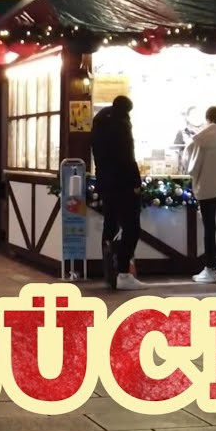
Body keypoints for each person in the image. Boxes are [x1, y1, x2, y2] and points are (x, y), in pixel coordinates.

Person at [91, 96, 144, 290]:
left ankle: (110, 271)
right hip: (124, 184)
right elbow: (127, 157)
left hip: (106, 182)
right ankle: (123, 272)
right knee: (131, 227)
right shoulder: (121, 126)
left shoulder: (100, 123)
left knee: (110, 225)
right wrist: (136, 182)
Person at [184, 106, 216, 285]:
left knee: (210, 229)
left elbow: (192, 167)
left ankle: (210, 270)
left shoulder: (200, 138)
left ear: (207, 119)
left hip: (206, 188)